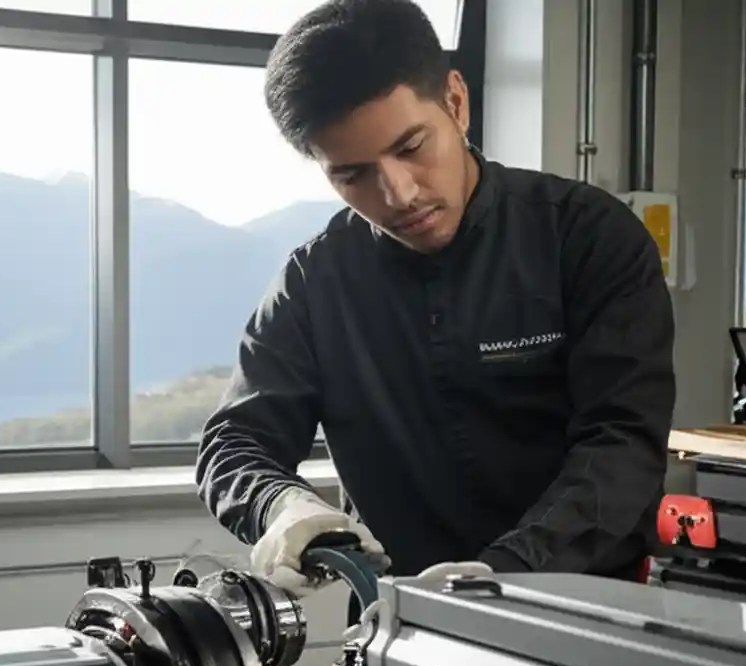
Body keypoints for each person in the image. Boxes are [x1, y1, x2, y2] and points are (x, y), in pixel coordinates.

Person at [194, 0, 676, 599]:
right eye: (353, 175)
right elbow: (234, 444)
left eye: (411, 146)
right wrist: (282, 507)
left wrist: (506, 573)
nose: (397, 193)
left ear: (456, 101)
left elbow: (622, 444)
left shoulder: (587, 237)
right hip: (401, 626)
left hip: (586, 609)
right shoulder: (314, 283)